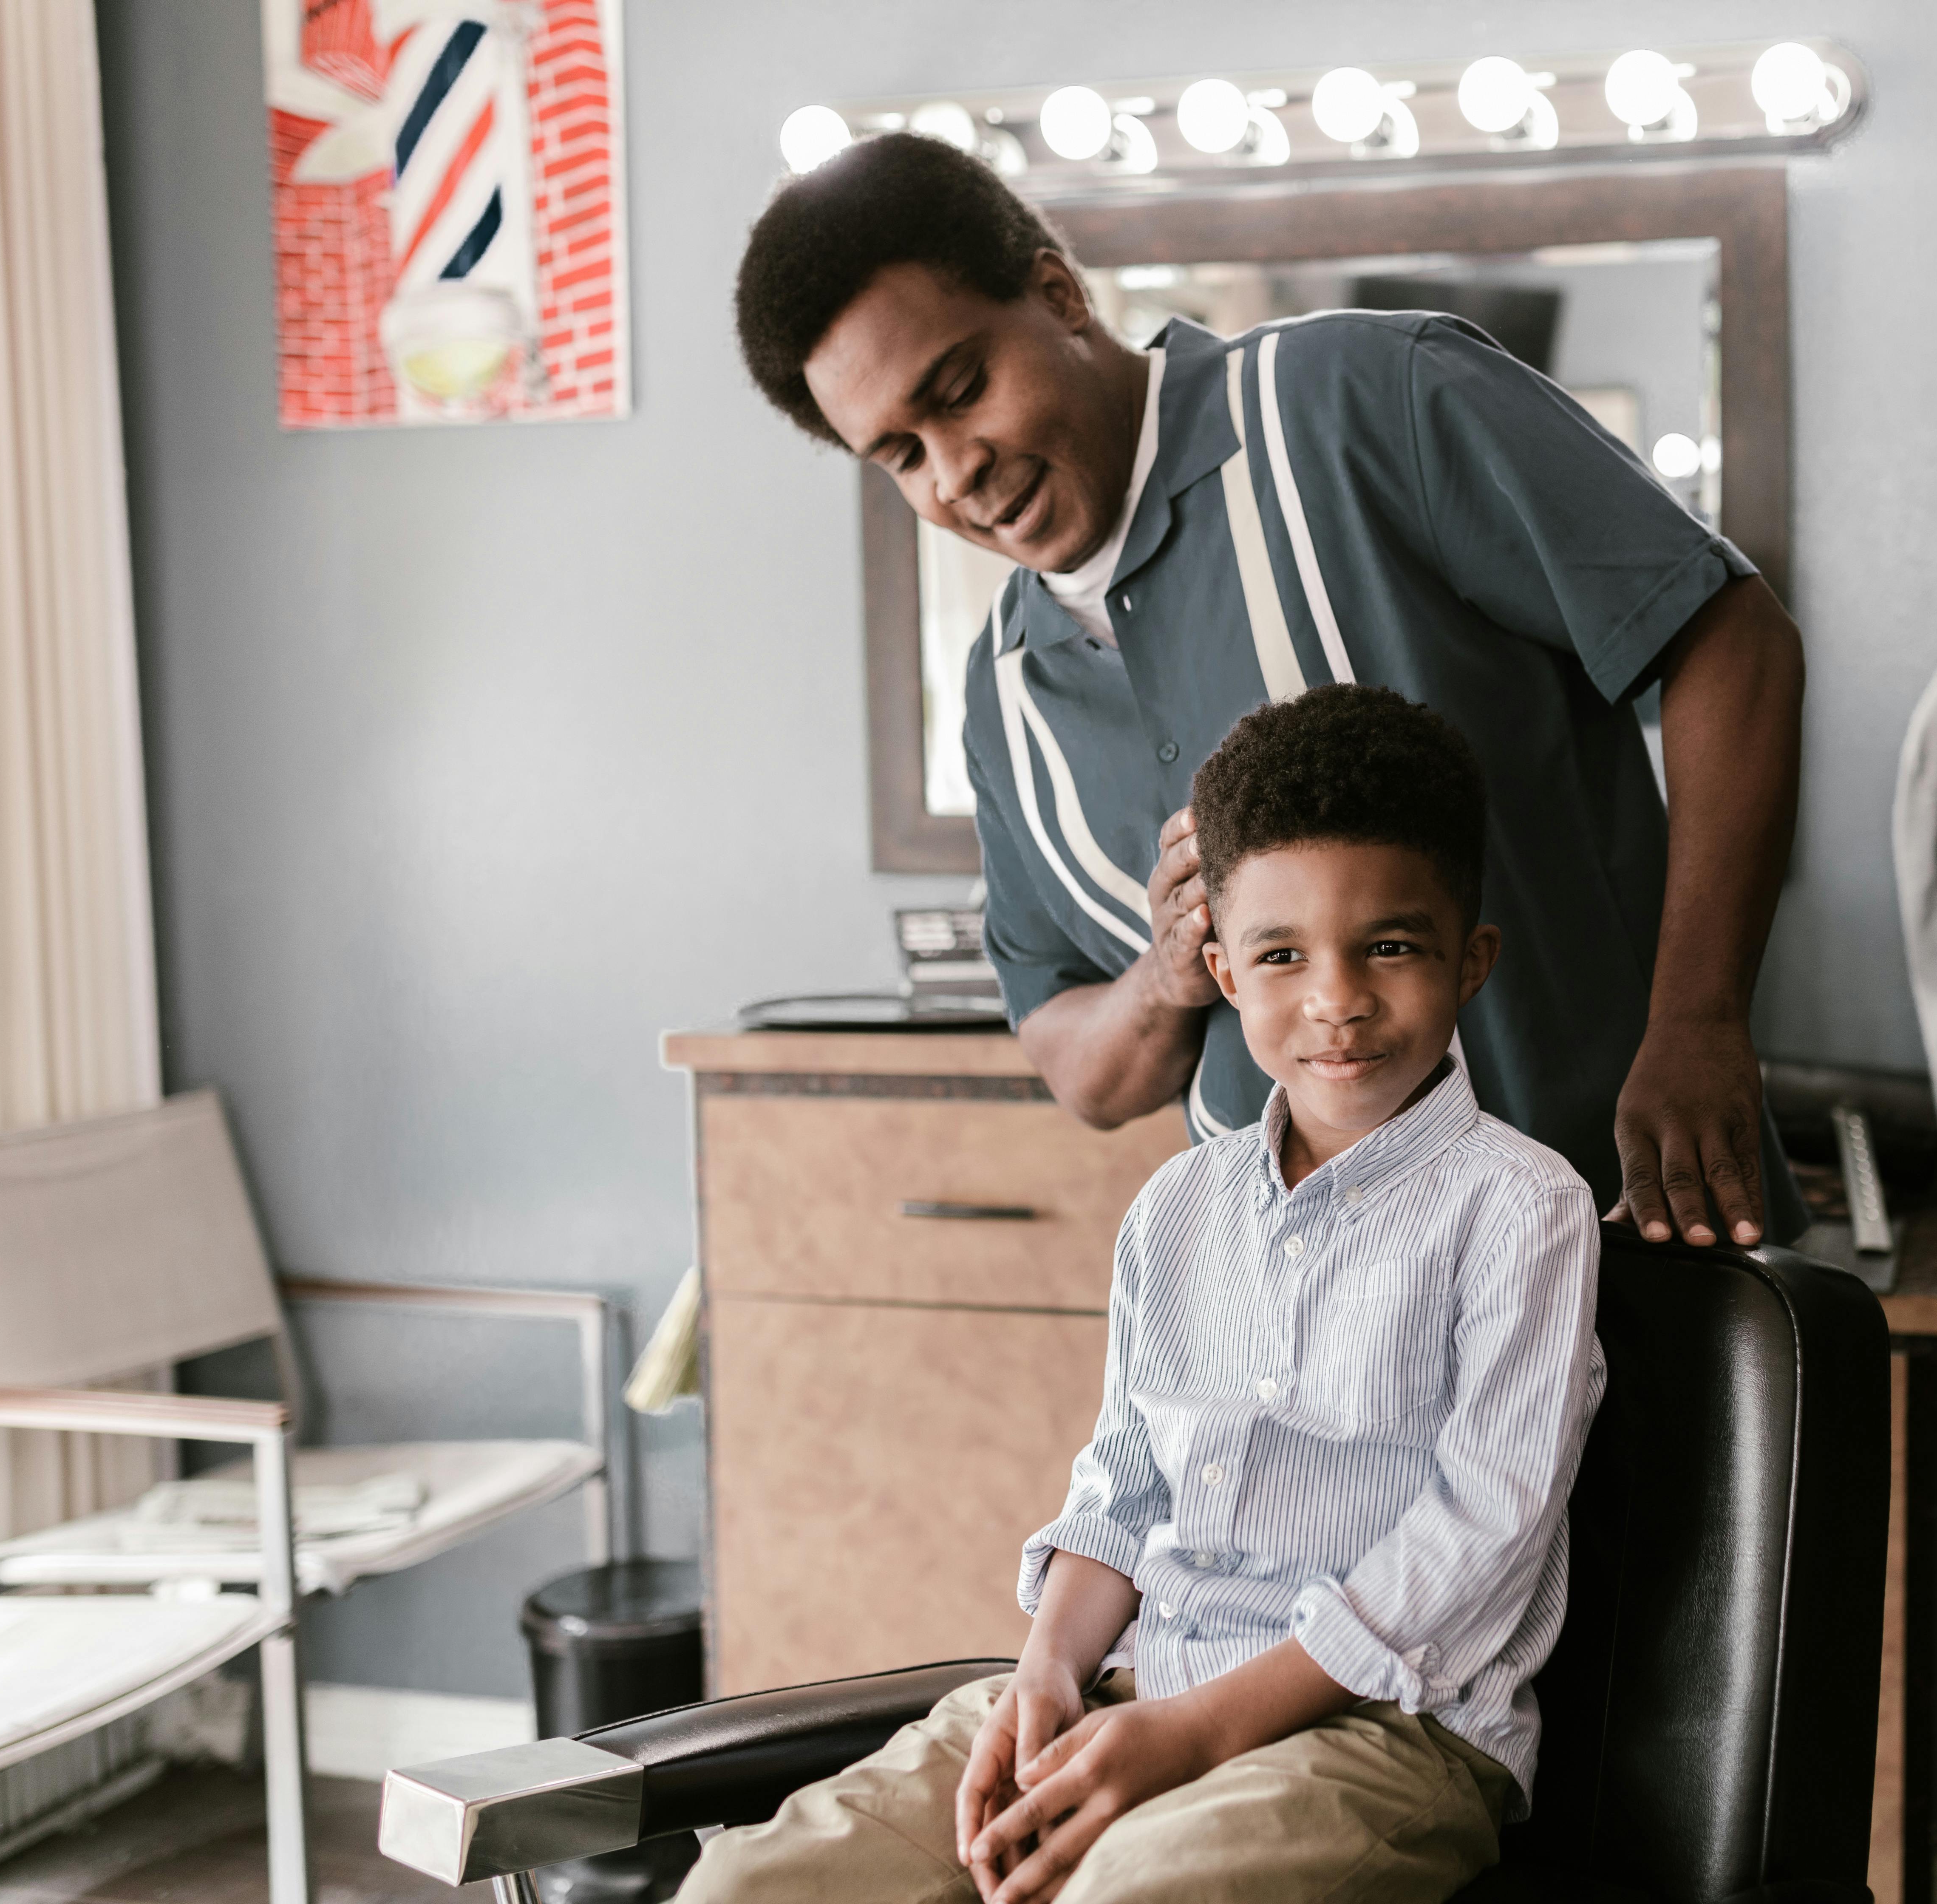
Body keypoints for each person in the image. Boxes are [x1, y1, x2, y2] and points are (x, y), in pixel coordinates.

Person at [734, 133, 1810, 1250]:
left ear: (1057, 295)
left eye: (960, 393)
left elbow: (1731, 638)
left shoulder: (1367, 401)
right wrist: (1162, 977)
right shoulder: (1006, 702)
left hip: (1626, 1241)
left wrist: (1699, 1021)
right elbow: (1084, 1070)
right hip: (1293, 1349)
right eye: (901, 455)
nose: (954, 471)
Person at [678, 687, 1603, 1904]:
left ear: (1469, 959)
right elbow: (1123, 1488)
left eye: (1391, 945)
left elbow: (1481, 1530)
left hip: (1386, 1738)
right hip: (1132, 1685)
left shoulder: (1523, 1210)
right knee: (753, 1888)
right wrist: (1048, 1676)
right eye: (1281, 956)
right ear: (1221, 969)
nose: (1336, 999)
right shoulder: (1177, 1209)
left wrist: (1200, 1733)